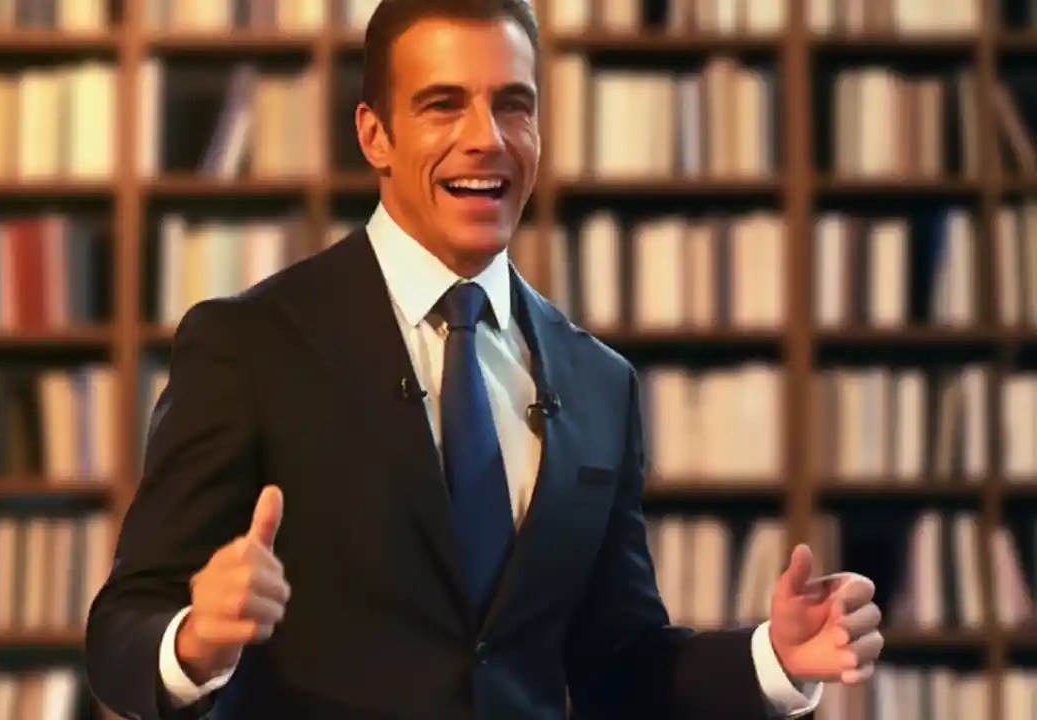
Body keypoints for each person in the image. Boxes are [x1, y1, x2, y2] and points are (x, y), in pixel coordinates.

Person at [84, 1, 884, 718]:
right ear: (375, 135)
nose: (486, 138)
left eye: (513, 105)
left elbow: (618, 665)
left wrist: (772, 659)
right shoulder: (249, 347)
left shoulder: (599, 383)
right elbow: (120, 632)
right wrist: (193, 642)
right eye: (443, 105)